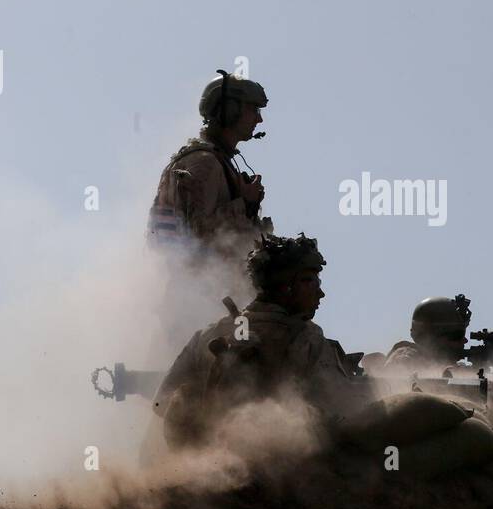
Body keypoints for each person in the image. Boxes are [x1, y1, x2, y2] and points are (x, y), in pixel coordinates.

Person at [154, 233, 357, 446]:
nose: (321, 293)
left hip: (202, 465)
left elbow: (160, 404)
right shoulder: (309, 338)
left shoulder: (208, 334)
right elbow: (346, 410)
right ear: (285, 287)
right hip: (285, 470)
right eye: (310, 281)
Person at [146, 69, 272, 262]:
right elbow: (198, 235)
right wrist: (244, 203)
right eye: (253, 109)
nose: (259, 119)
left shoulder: (218, 161)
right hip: (201, 289)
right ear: (231, 110)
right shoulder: (204, 162)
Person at [374, 294, 473, 377]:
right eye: (456, 335)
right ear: (431, 338)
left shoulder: (448, 366)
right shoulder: (405, 358)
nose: (464, 340)